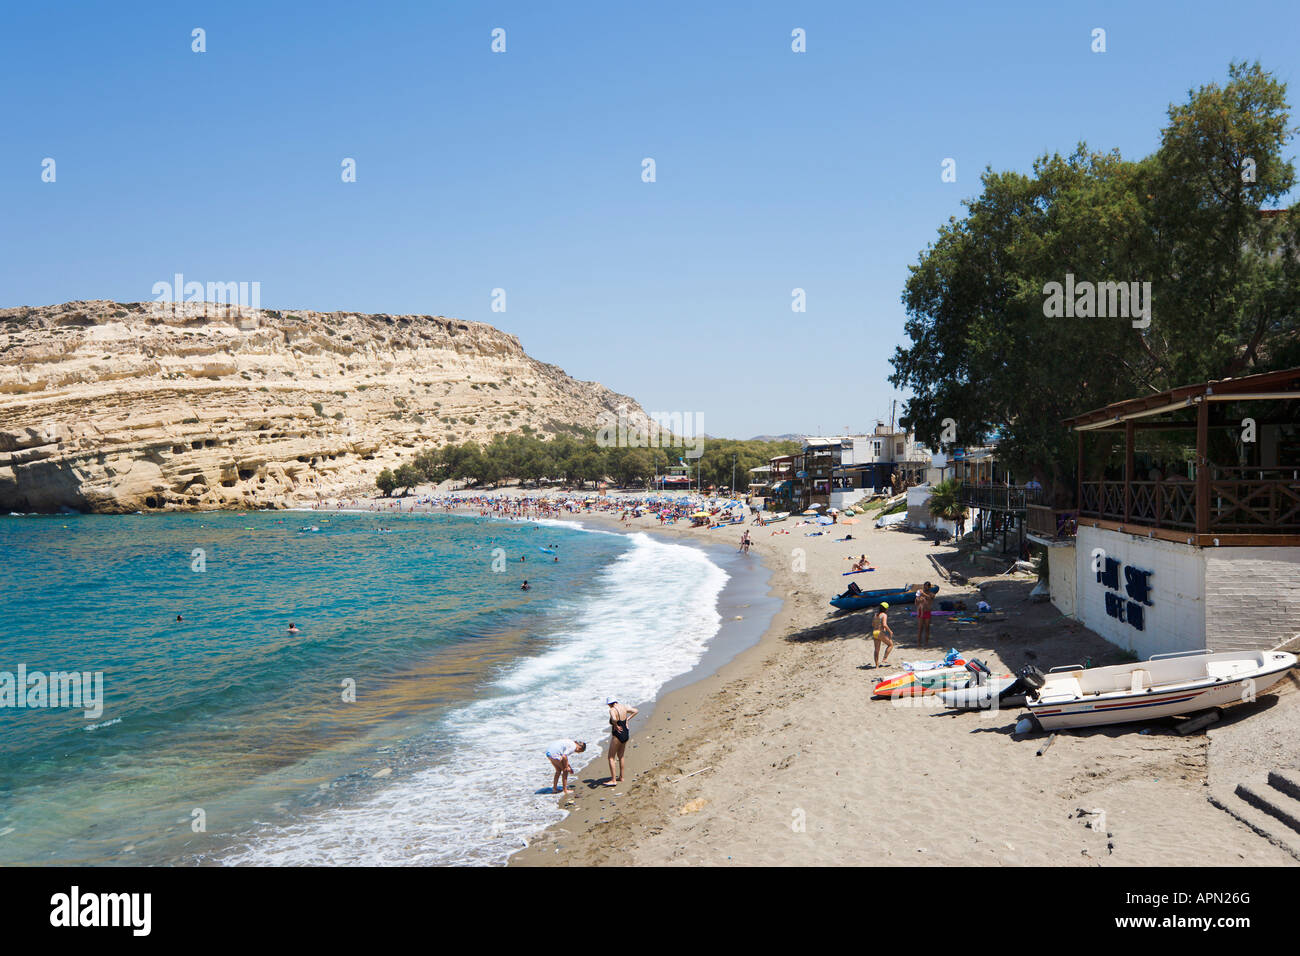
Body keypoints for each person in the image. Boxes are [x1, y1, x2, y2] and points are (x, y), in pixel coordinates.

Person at [604, 696, 638, 785]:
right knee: (621, 756)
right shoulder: (624, 707)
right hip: (625, 732)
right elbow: (636, 711)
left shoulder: (612, 710)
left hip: (618, 734)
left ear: (609, 704)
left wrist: (615, 724)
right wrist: (627, 719)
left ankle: (613, 780)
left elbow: (614, 718)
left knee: (611, 757)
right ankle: (621, 777)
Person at [871, 602, 894, 667]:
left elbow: (873, 624)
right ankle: (885, 658)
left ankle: (877, 666)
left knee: (876, 650)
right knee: (890, 645)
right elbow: (884, 624)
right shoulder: (884, 615)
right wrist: (890, 631)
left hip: (874, 632)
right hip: (880, 632)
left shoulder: (875, 615)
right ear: (886, 609)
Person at [914, 582, 935, 648]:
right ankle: (919, 643)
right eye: (924, 586)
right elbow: (916, 603)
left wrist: (923, 594)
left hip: (927, 612)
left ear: (929, 587)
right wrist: (918, 599)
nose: (925, 588)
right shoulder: (920, 594)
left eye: (926, 586)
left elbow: (931, 598)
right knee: (920, 628)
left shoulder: (931, 594)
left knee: (927, 628)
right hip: (921, 612)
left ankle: (926, 643)